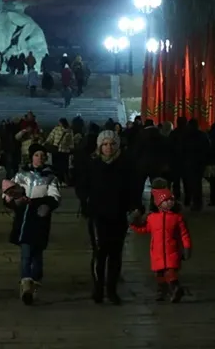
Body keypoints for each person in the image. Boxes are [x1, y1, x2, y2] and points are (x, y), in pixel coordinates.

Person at [76, 129, 143, 304]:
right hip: (97, 214)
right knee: (100, 251)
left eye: (112, 144)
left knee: (115, 253)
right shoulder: (92, 164)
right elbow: (82, 186)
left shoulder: (126, 165)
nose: (108, 147)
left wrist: (135, 207)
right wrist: (86, 201)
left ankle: (112, 290)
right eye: (105, 144)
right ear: (99, 146)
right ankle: (98, 288)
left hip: (118, 213)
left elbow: (134, 188)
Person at [2, 143, 61, 305]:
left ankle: (35, 281)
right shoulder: (21, 175)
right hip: (24, 219)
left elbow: (55, 196)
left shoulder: (51, 177)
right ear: (31, 157)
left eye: (42, 155)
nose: (39, 158)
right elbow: (9, 192)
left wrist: (47, 205)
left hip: (40, 219)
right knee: (26, 253)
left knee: (37, 253)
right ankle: (26, 285)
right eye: (36, 155)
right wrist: (12, 199)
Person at [132, 180, 192, 303]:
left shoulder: (177, 218)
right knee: (159, 274)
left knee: (170, 273)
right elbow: (144, 229)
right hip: (157, 253)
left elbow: (184, 234)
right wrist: (133, 224)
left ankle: (175, 289)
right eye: (166, 200)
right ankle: (163, 291)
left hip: (172, 251)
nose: (170, 202)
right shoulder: (152, 218)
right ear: (159, 203)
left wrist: (186, 247)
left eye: (171, 200)